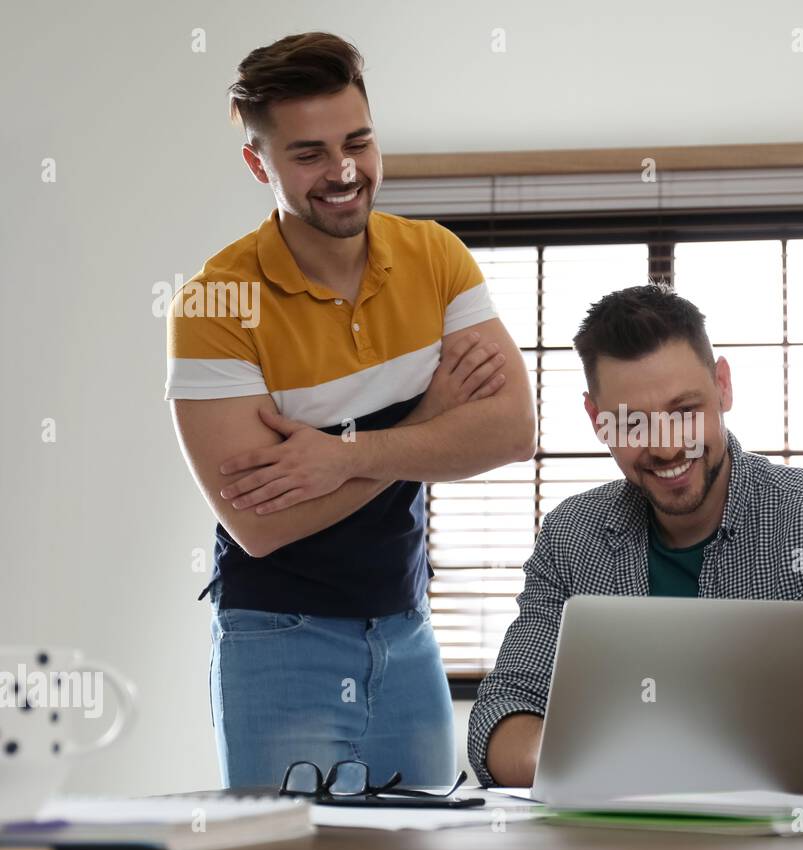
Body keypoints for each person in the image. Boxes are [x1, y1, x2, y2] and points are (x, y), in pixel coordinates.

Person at [165, 33, 535, 787]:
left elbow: (511, 430)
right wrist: (432, 419)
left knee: (422, 849)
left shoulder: (436, 257)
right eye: (307, 154)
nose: (342, 172)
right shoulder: (215, 303)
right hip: (277, 636)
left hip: (407, 632)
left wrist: (343, 455)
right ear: (257, 163)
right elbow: (260, 524)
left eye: (358, 142)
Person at [469, 284, 803, 793]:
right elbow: (501, 712)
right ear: (598, 421)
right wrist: (565, 757)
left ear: (722, 386)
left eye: (684, 410)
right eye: (632, 423)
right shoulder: (571, 538)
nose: (665, 447)